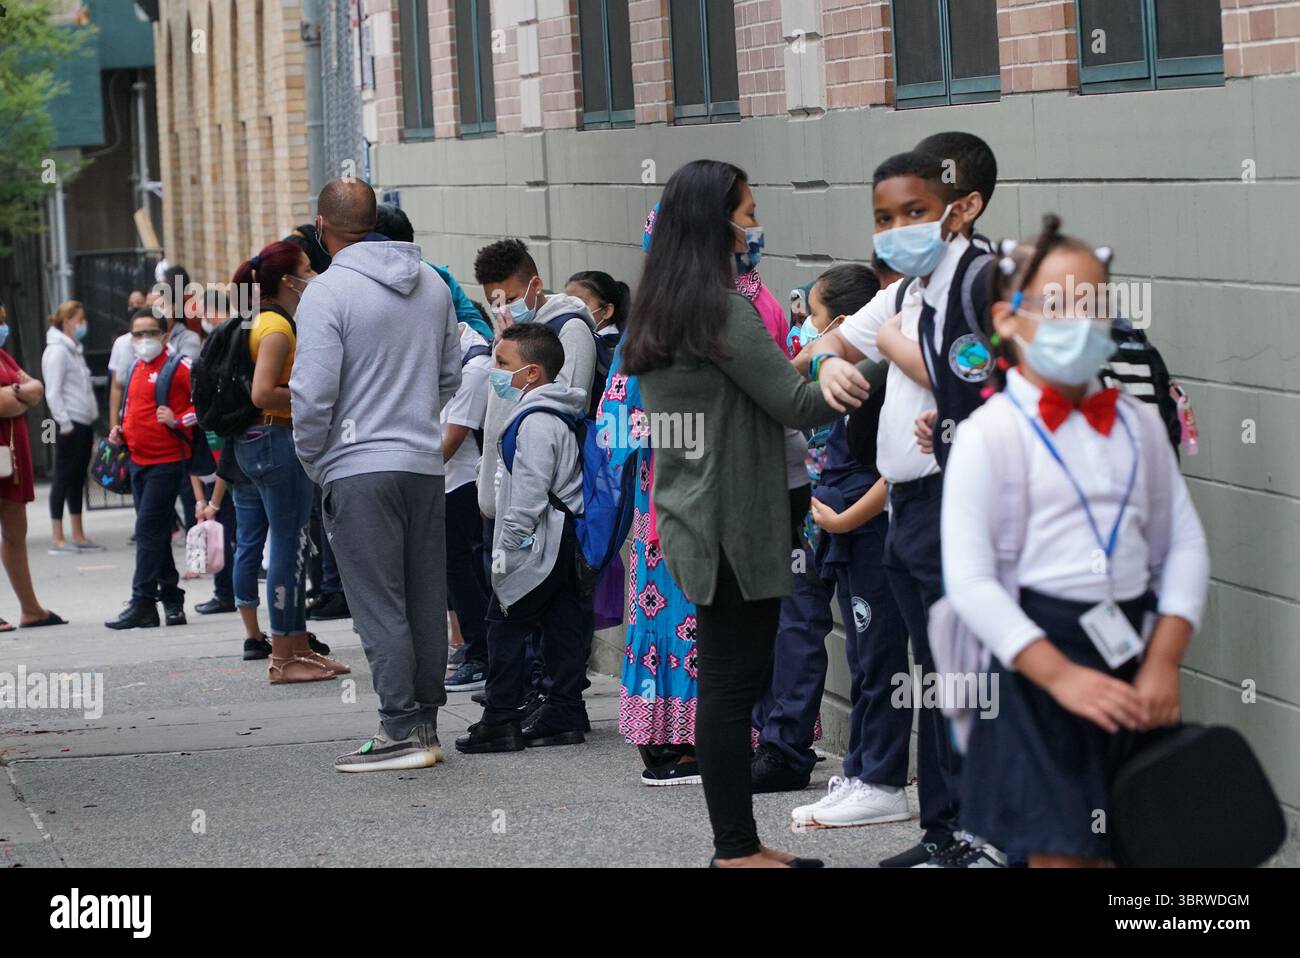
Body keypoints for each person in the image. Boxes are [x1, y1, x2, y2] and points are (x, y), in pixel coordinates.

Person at [941, 215, 1209, 866]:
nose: (1079, 320)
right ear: (1007, 319)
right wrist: (1060, 677)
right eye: (1057, 305)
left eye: (1095, 304)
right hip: (1041, 658)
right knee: (1061, 851)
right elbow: (970, 581)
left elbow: (1183, 544)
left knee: (1140, 842)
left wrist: (1164, 658)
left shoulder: (1141, 422)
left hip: (1135, 649)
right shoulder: (990, 434)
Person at [622, 159, 851, 868]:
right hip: (737, 524)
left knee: (729, 684)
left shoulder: (667, 304)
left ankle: (742, 846)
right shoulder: (723, 308)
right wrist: (870, 352)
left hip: (700, 517)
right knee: (730, 688)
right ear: (717, 223)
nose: (755, 226)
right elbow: (798, 405)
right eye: (748, 213)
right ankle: (736, 851)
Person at [795, 150, 989, 868]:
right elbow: (831, 339)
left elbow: (962, 371)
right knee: (933, 673)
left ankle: (982, 832)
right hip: (906, 503)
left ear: (960, 209)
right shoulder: (908, 288)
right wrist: (829, 361)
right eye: (885, 218)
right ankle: (944, 830)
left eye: (914, 213)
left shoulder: (977, 283)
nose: (898, 230)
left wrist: (900, 348)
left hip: (956, 499)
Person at [292, 177, 461, 772]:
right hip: (422, 462)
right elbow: (450, 376)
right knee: (422, 600)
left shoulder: (327, 292)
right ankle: (427, 727)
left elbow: (312, 395)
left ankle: (399, 732)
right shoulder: (435, 285)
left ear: (322, 227)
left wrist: (317, 458)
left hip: (356, 466)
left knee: (377, 604)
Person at [790, 264, 912, 829]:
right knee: (862, 658)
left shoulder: (885, 382)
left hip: (869, 529)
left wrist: (845, 521)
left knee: (881, 656)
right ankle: (862, 770)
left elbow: (900, 469)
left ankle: (883, 779)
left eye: (812, 317)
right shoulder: (839, 377)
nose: (804, 329)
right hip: (842, 530)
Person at [473, 239, 596, 712]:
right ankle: (531, 693)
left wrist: (517, 520)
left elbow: (557, 408)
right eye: (493, 300)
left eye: (507, 296)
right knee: (511, 601)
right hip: (502, 493)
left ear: (535, 285)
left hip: (541, 504)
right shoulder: (507, 332)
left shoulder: (569, 331)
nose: (500, 307)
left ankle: (546, 695)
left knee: (539, 609)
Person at [455, 324, 589, 753]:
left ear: (531, 373)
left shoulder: (535, 421)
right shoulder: (556, 414)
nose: (495, 371)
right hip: (563, 537)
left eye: (503, 363)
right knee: (561, 622)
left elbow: (529, 496)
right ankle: (563, 713)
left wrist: (507, 553)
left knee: (504, 625)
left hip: (539, 541)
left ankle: (500, 721)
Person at [228, 240, 347, 682]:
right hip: (274, 439)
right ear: (286, 281)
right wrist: (317, 400)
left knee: (292, 541)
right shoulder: (276, 326)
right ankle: (283, 656)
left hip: (267, 441)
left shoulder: (266, 319)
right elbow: (263, 393)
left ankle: (297, 645)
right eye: (306, 268)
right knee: (287, 543)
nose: (314, 274)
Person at [104, 309, 196, 630]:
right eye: (138, 334)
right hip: (137, 461)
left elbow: (204, 406)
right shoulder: (134, 368)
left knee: (147, 530)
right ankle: (171, 599)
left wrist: (179, 419)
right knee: (154, 532)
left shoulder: (179, 367)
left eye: (151, 333)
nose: (144, 340)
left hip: (167, 461)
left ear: (165, 335)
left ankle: (142, 600)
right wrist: (120, 431)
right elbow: (131, 408)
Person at [0, 301, 66, 631]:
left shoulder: (4, 357)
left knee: (16, 534)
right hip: (3, 456)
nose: (2, 328)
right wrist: (19, 392)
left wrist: (18, 392)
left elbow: (36, 388)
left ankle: (30, 608)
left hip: (11, 459)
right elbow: (8, 404)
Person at [439, 307, 493, 693]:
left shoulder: (474, 366)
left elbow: (455, 435)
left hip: (464, 482)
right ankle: (475, 647)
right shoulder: (444, 354)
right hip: (444, 479)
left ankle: (482, 654)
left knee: (466, 570)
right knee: (455, 570)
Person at [41, 300, 102, 553]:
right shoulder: (57, 351)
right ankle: (58, 536)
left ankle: (78, 533)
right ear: (66, 322)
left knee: (78, 478)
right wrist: (63, 423)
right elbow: (53, 392)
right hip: (69, 424)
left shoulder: (74, 350)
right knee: (63, 477)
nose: (82, 324)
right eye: (79, 319)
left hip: (83, 421)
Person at [565, 270, 629, 347]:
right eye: (567, 303)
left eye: (579, 303)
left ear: (606, 311)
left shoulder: (611, 345)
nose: (570, 309)